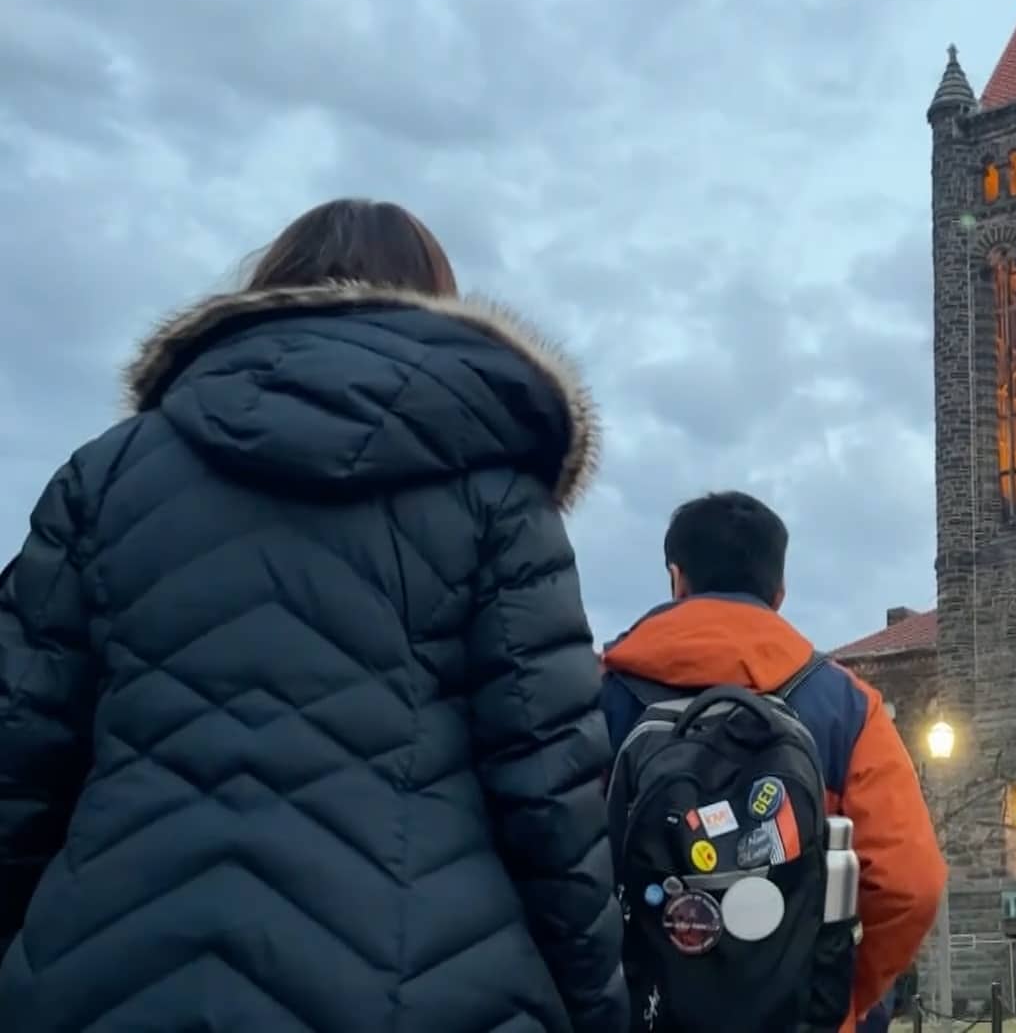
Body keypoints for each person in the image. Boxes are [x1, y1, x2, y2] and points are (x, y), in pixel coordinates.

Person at [0, 199, 628, 1032]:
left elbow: (19, 752)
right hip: (429, 977)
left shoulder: (108, 476)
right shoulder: (498, 497)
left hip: (106, 967)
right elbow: (550, 789)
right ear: (436, 304)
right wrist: (594, 1003)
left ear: (268, 290)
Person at [599, 491, 945, 1033]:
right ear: (779, 593)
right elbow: (910, 885)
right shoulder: (845, 707)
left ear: (676, 579)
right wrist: (835, 998)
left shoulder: (600, 697)